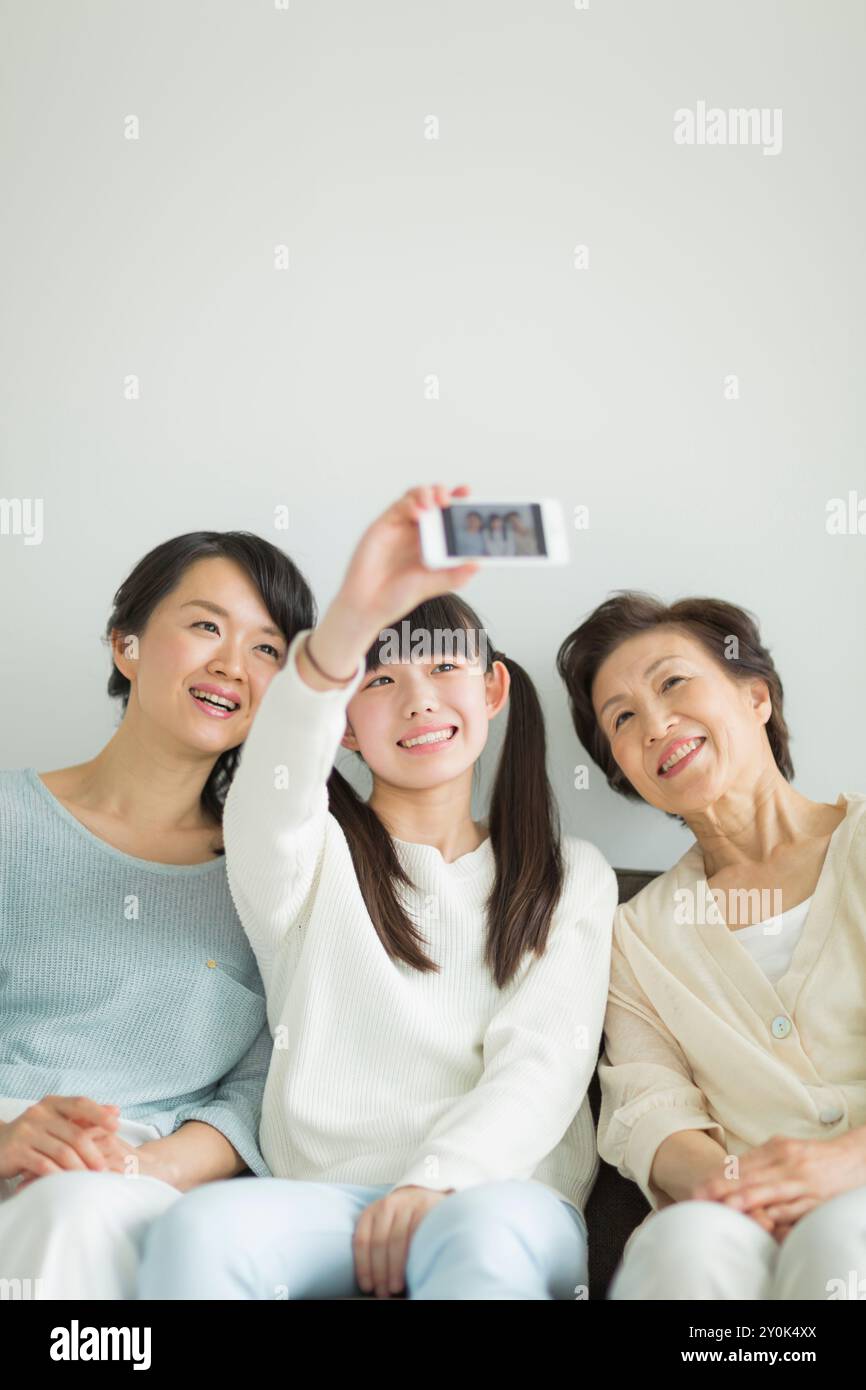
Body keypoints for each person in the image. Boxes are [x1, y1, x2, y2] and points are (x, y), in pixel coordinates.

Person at [138, 484, 618, 1301]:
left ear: (493, 692)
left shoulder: (570, 872)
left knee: (477, 1239)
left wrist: (438, 1180)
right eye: (381, 680)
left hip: (500, 1198)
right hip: (319, 1203)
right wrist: (353, 615)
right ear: (345, 725)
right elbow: (274, 781)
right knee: (197, 1229)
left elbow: (542, 1063)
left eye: (442, 668)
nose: (420, 698)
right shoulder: (304, 853)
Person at [0, 530, 315, 1298]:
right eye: (206, 625)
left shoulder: (273, 871)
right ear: (127, 645)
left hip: (142, 1179)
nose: (231, 665)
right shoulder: (11, 817)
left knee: (77, 1212)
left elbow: (263, 1088)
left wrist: (136, 1168)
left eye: (267, 649)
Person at [557, 591, 866, 1299]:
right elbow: (648, 1105)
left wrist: (841, 1167)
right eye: (623, 719)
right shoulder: (635, 934)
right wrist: (735, 1188)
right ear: (623, 772)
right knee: (681, 1246)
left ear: (756, 696)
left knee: (839, 1236)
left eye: (673, 683)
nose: (657, 723)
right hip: (734, 1216)